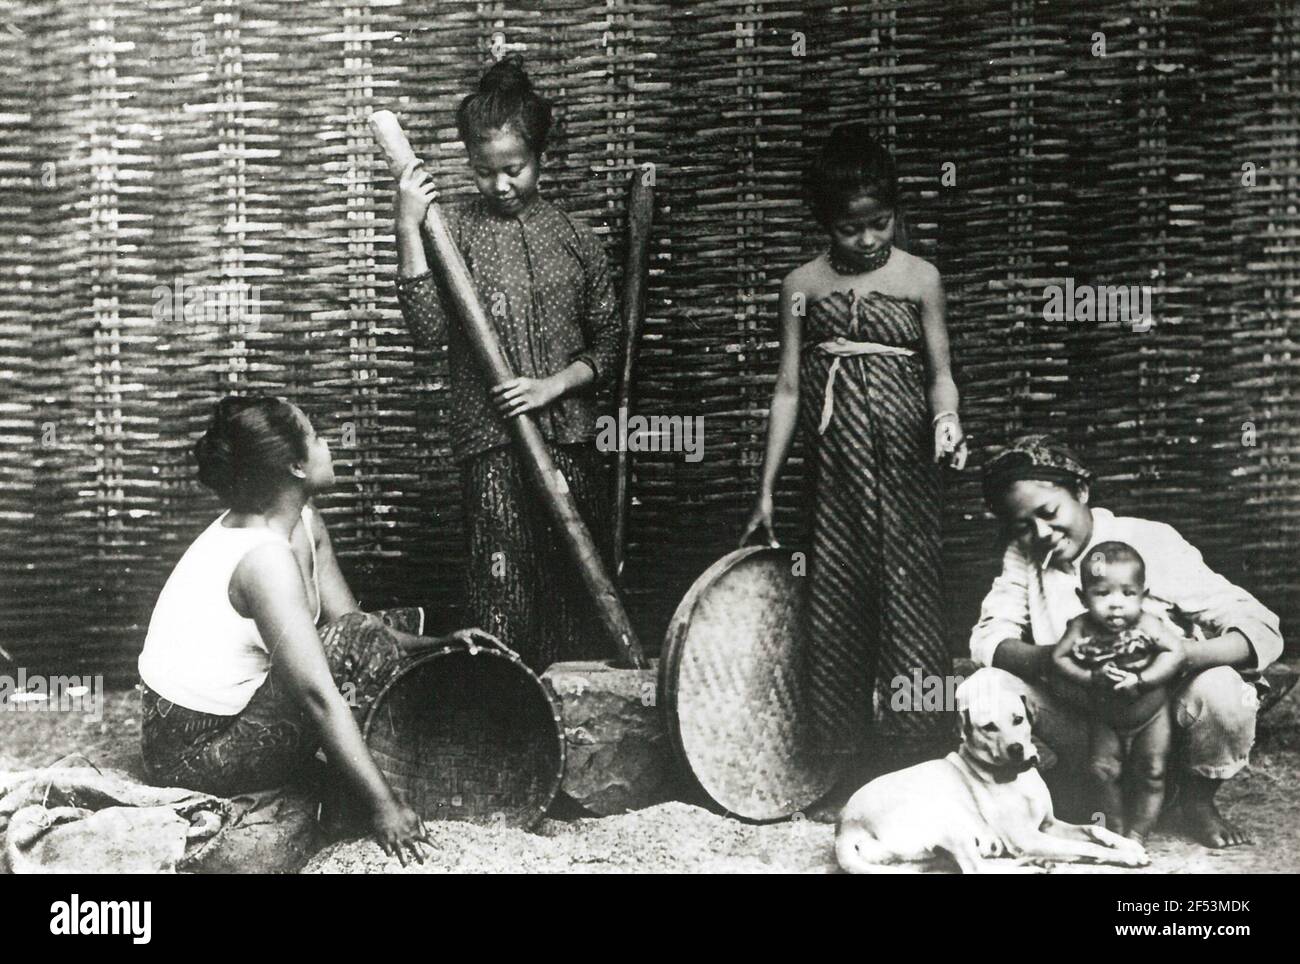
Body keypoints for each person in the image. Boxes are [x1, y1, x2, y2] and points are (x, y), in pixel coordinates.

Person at [138, 395, 492, 864]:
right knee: (355, 650)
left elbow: (348, 622)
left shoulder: (303, 521)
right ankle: (354, 800)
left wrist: (438, 646)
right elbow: (318, 694)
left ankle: (356, 768)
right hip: (190, 748)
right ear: (296, 467)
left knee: (370, 633)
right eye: (318, 437)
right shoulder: (263, 559)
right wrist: (384, 807)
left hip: (237, 712)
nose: (330, 444)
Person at [741, 123, 968, 764]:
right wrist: (766, 489)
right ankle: (838, 760)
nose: (867, 240)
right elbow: (787, 388)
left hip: (907, 472)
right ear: (823, 222)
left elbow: (940, 376)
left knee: (912, 597)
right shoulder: (801, 288)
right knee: (835, 601)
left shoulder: (920, 278)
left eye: (880, 223)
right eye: (849, 228)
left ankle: (920, 755)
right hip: (834, 475)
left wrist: (946, 422)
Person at [393, 55, 621, 671]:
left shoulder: (575, 238)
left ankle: (576, 716)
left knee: (576, 583)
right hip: (491, 440)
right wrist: (408, 226)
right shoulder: (453, 231)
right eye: (484, 172)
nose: (500, 186)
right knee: (502, 582)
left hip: (569, 439)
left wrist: (552, 387)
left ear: (539, 155)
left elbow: (608, 348)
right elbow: (427, 330)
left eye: (514, 169)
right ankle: (500, 710)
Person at [972, 434, 1282, 847]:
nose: (1041, 532)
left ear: (1081, 490)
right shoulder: (1023, 557)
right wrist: (1057, 660)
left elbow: (1260, 626)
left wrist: (1184, 655)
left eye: (1049, 512)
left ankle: (1196, 799)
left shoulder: (1148, 540)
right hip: (1087, 718)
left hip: (1162, 719)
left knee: (1224, 690)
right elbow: (989, 638)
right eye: (1023, 526)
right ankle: (1068, 795)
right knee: (985, 686)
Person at [1050, 541, 1184, 844]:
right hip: (1105, 718)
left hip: (1150, 716)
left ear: (1143, 596)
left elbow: (1175, 653)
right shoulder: (1081, 627)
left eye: (1127, 593)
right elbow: (1058, 658)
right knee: (1101, 772)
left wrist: (1142, 680)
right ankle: (1115, 830)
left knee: (1151, 772)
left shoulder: (1148, 625)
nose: (1116, 603)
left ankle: (1138, 833)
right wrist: (1089, 676)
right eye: (1102, 593)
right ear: (1083, 597)